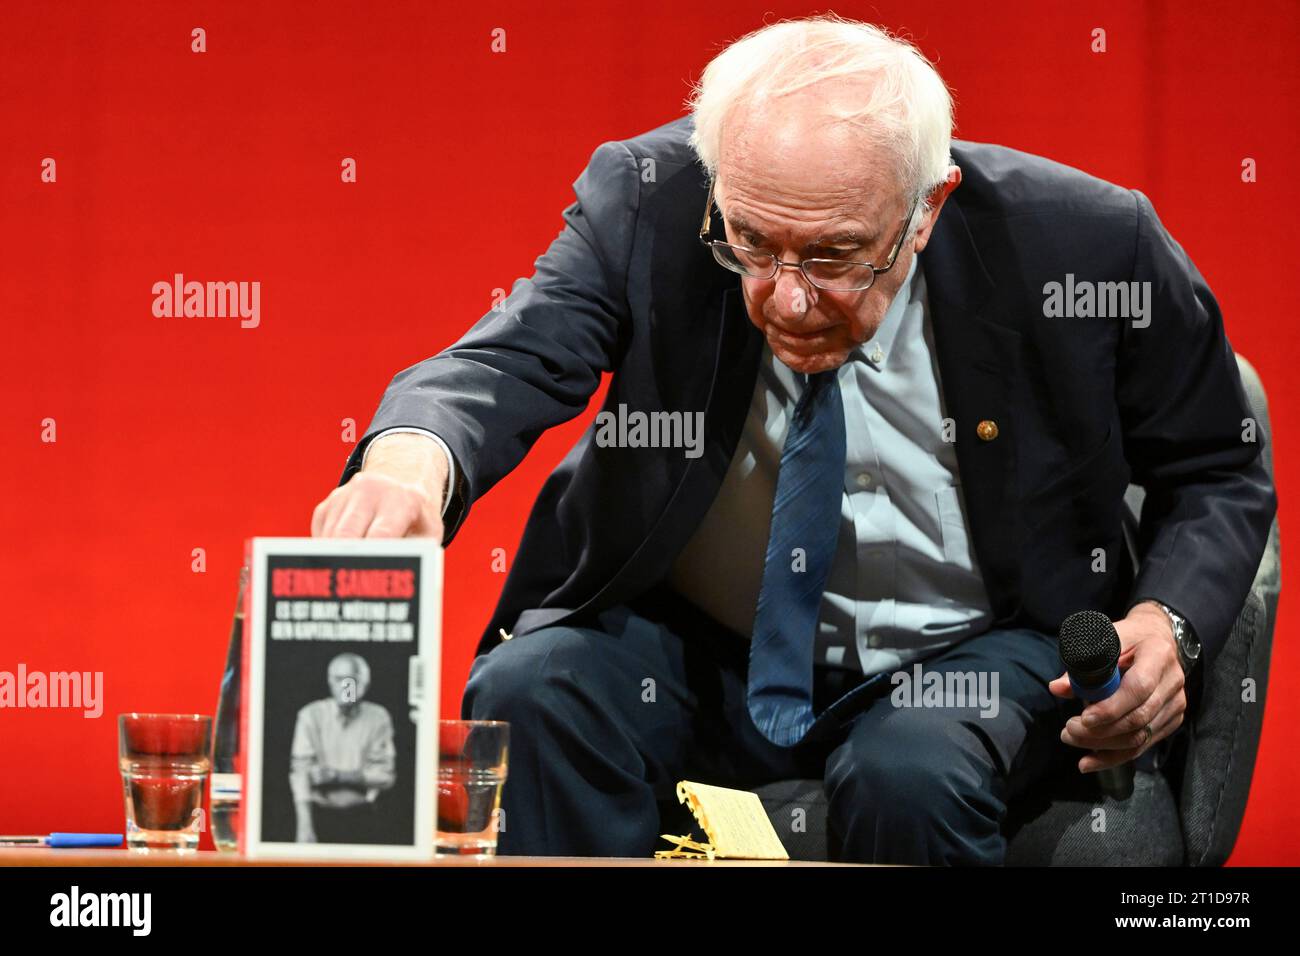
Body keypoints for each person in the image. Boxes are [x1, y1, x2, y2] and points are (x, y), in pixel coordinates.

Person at [310, 15, 1276, 864]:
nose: (787, 296)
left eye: (833, 256)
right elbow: (515, 355)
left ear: (926, 208)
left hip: (970, 650)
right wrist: (411, 460)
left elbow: (1216, 463)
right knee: (534, 691)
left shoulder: (1088, 244)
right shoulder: (649, 204)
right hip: (706, 651)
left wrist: (1170, 623)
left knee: (909, 774)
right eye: (752, 245)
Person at [290, 652, 396, 844]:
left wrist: (337, 776)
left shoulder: (378, 717)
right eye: (339, 679)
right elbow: (301, 774)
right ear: (330, 681)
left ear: (365, 683)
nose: (346, 686)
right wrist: (304, 826)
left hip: (364, 818)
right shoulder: (310, 715)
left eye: (353, 680)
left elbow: (384, 776)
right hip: (321, 818)